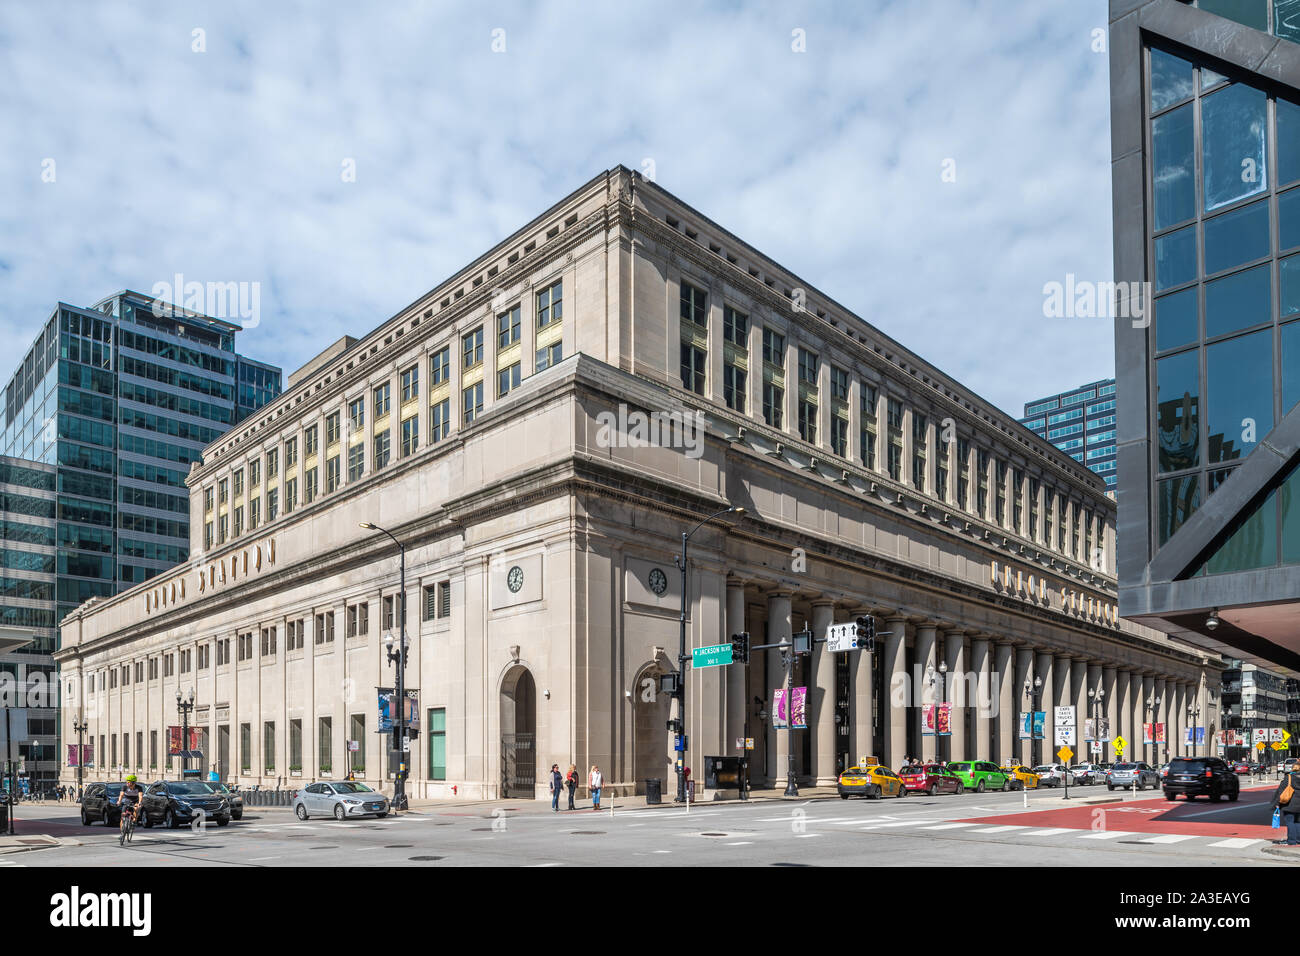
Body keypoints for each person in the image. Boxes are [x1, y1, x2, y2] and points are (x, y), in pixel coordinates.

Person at [1271, 765, 1300, 846]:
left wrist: (1277, 804)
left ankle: (1291, 840)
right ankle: (1298, 839)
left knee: (1290, 822)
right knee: (1298, 822)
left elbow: (1281, 791)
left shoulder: (1289, 778)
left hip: (1290, 804)